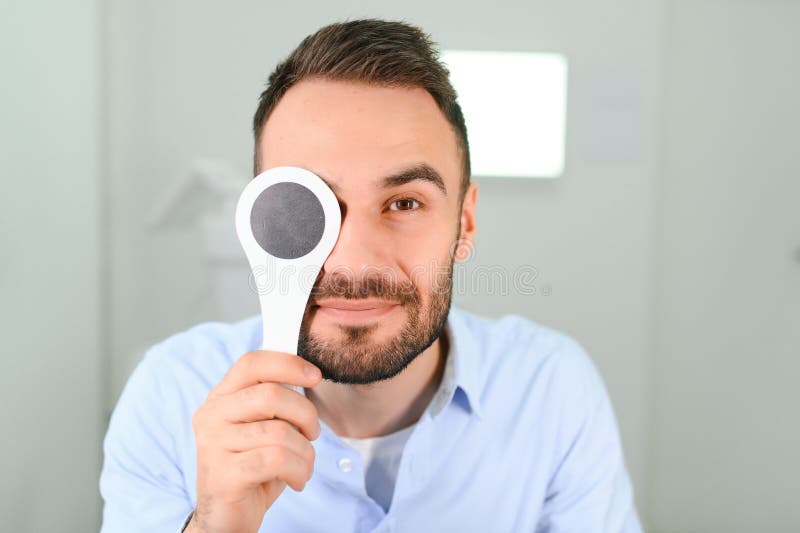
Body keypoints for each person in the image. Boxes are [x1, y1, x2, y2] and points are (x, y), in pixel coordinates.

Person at [99, 18, 642, 533]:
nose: (355, 261)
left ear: (465, 220)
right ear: (262, 221)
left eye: (405, 203)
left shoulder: (551, 389)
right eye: (311, 207)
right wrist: (215, 524)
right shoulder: (169, 394)